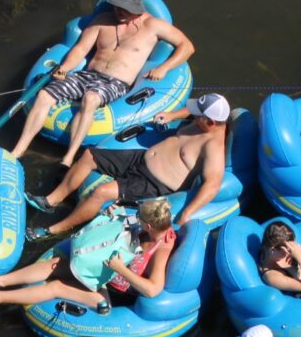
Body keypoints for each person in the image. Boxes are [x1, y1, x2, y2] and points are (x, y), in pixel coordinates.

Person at [10, 0, 195, 166]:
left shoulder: (154, 25)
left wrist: (163, 68)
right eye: (117, 7)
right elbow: (81, 49)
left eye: (124, 9)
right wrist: (65, 67)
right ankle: (19, 149)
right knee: (44, 95)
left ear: (137, 9)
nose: (119, 12)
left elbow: (187, 46)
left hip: (117, 82)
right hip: (87, 76)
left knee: (90, 99)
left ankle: (68, 157)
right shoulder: (102, 20)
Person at [25, 94, 230, 238]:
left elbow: (212, 184)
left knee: (101, 192)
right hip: (140, 158)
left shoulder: (212, 147)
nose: (194, 115)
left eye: (198, 114)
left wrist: (188, 212)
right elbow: (189, 110)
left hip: (153, 182)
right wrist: (173, 115)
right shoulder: (203, 122)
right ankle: (51, 200)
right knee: (89, 155)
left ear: (210, 122)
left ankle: (55, 229)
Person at [0, 197, 180, 314]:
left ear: (149, 225)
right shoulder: (143, 227)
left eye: (139, 218)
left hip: (112, 293)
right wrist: (110, 217)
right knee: (55, 264)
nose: (135, 218)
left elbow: (152, 290)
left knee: (56, 287)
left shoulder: (161, 247)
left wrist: (121, 269)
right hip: (104, 271)